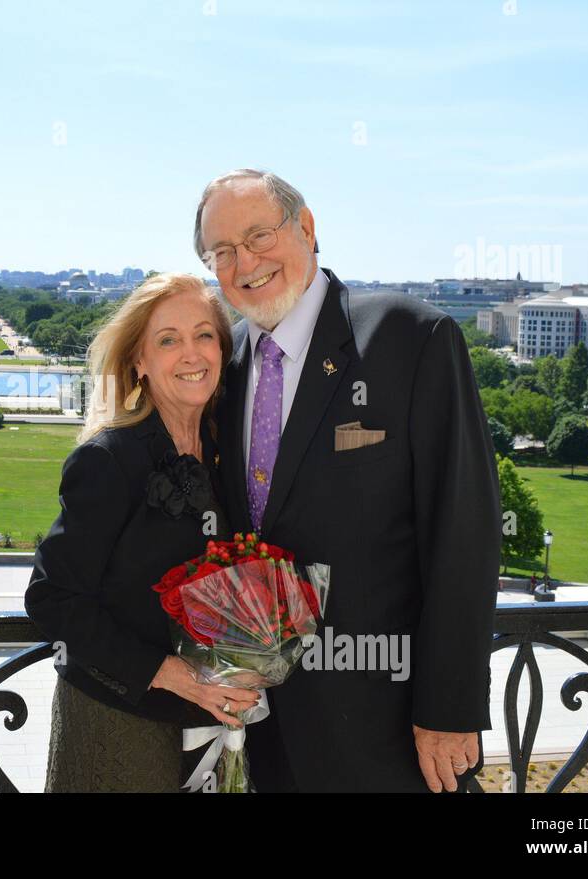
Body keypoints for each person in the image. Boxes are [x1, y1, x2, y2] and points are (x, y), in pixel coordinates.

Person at [194, 169, 500, 793]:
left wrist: (449, 709)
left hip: (391, 730)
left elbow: (463, 531)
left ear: (306, 229)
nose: (243, 262)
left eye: (257, 236)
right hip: (268, 732)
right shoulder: (224, 363)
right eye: (221, 252)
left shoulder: (411, 339)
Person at [25, 272, 261, 792]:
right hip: (118, 725)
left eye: (204, 335)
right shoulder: (109, 459)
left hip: (214, 727)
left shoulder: (231, 455)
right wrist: (176, 675)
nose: (191, 353)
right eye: (168, 340)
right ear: (139, 362)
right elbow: (52, 599)